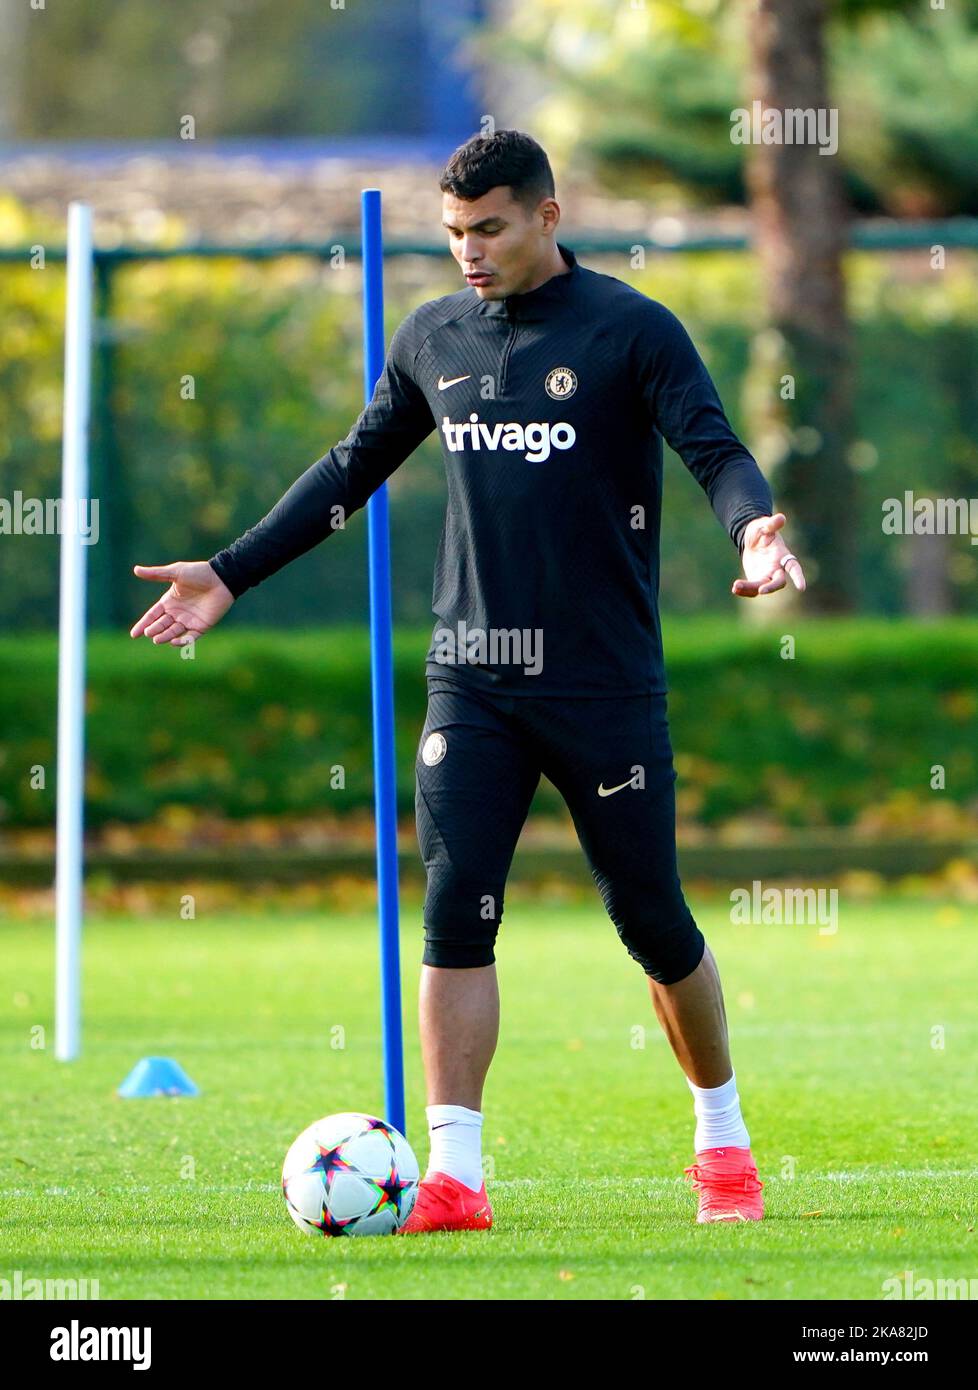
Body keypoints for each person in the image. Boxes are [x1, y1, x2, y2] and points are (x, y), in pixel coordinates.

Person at [130, 129, 806, 1232]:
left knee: (650, 917)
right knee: (455, 916)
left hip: (604, 683)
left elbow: (715, 449)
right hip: (473, 681)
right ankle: (455, 1178)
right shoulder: (432, 334)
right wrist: (230, 573)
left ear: (548, 213)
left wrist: (753, 531)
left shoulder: (632, 330)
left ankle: (723, 1143)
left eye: (488, 228)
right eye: (452, 233)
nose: (468, 253)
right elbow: (351, 469)